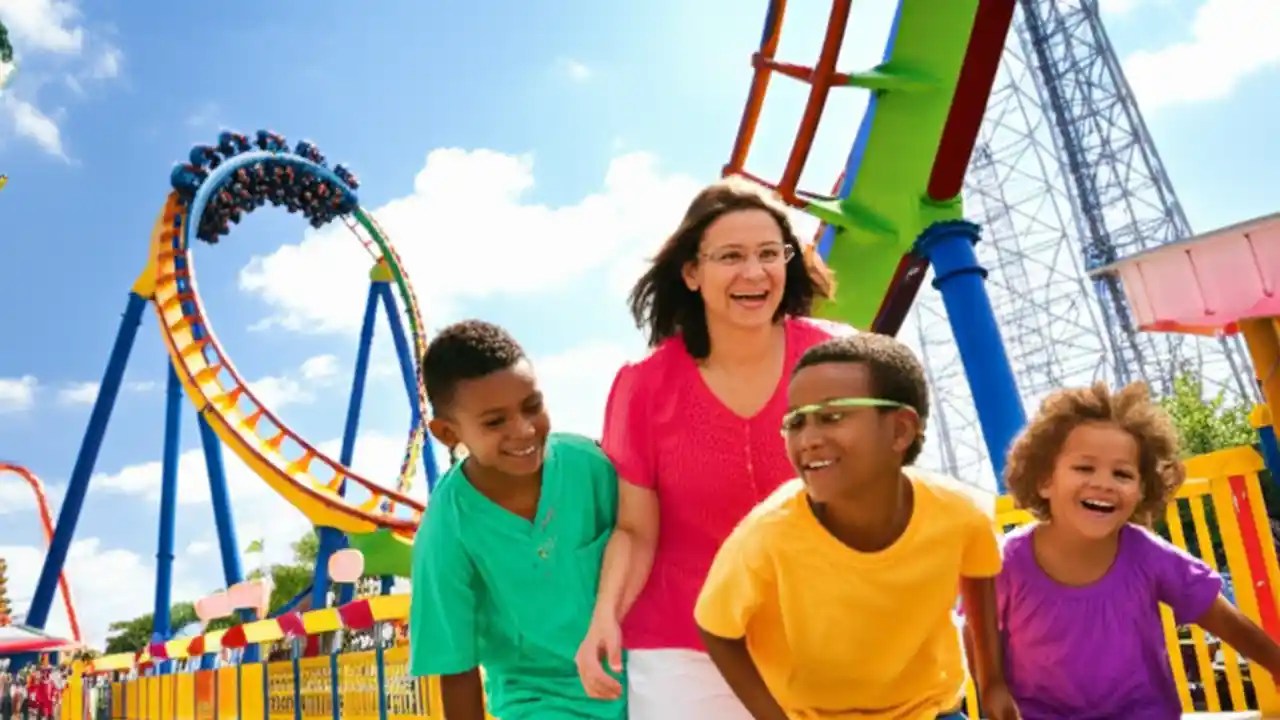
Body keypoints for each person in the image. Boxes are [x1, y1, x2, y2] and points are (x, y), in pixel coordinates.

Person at [575, 176, 851, 719]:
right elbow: (636, 529)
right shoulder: (643, 386)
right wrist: (604, 614)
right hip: (685, 640)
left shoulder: (838, 358)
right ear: (692, 272)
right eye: (731, 256)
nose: (754, 273)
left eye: (770, 253)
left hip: (822, 623)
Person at [692, 334, 1016, 719]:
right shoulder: (766, 536)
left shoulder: (960, 513)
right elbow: (716, 629)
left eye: (832, 416)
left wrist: (993, 681)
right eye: (796, 422)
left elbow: (979, 576)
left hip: (930, 709)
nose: (808, 439)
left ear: (900, 430)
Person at [997, 381, 1280, 718]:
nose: (1103, 483)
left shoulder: (1146, 555)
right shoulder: (1008, 562)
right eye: (1084, 468)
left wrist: (1275, 663)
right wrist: (992, 687)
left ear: (1142, 489)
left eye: (1122, 473)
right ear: (1044, 480)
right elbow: (979, 633)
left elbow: (1218, 614)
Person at [408, 320, 626, 720]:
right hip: (541, 701)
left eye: (532, 406)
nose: (524, 430)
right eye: (494, 422)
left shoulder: (593, 467)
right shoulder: (445, 530)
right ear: (447, 432)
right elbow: (456, 668)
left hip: (647, 678)